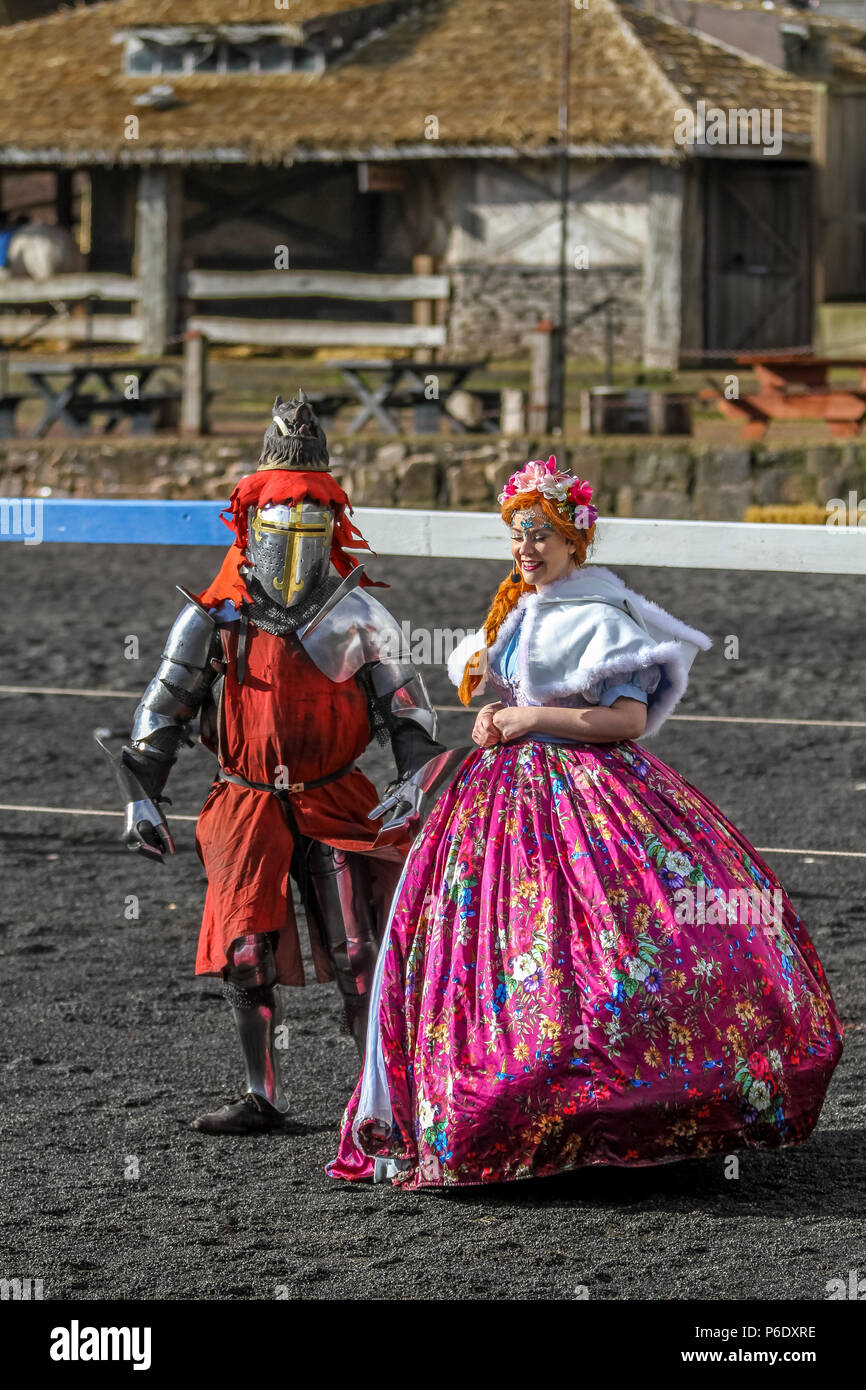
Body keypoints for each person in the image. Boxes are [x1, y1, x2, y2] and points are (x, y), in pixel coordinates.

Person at [326, 455, 844, 1188]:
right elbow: (510, 691)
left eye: (541, 535)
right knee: (502, 940)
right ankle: (535, 1103)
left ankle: (618, 1104)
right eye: (518, 536)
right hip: (505, 797)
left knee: (619, 936)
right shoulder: (520, 609)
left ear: (575, 541)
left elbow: (627, 719)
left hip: (591, 793)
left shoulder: (600, 616)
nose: (527, 549)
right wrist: (491, 720)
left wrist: (531, 716)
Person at [104, 392, 444, 1134]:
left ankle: (376, 1102)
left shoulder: (359, 614)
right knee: (245, 953)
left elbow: (409, 714)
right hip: (245, 798)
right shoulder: (213, 614)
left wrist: (415, 778)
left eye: (310, 524)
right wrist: (142, 795)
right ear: (251, 522)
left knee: (359, 953)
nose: (293, 542)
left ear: (330, 526)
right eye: (278, 524)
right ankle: (265, 1095)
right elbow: (164, 708)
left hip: (334, 794)